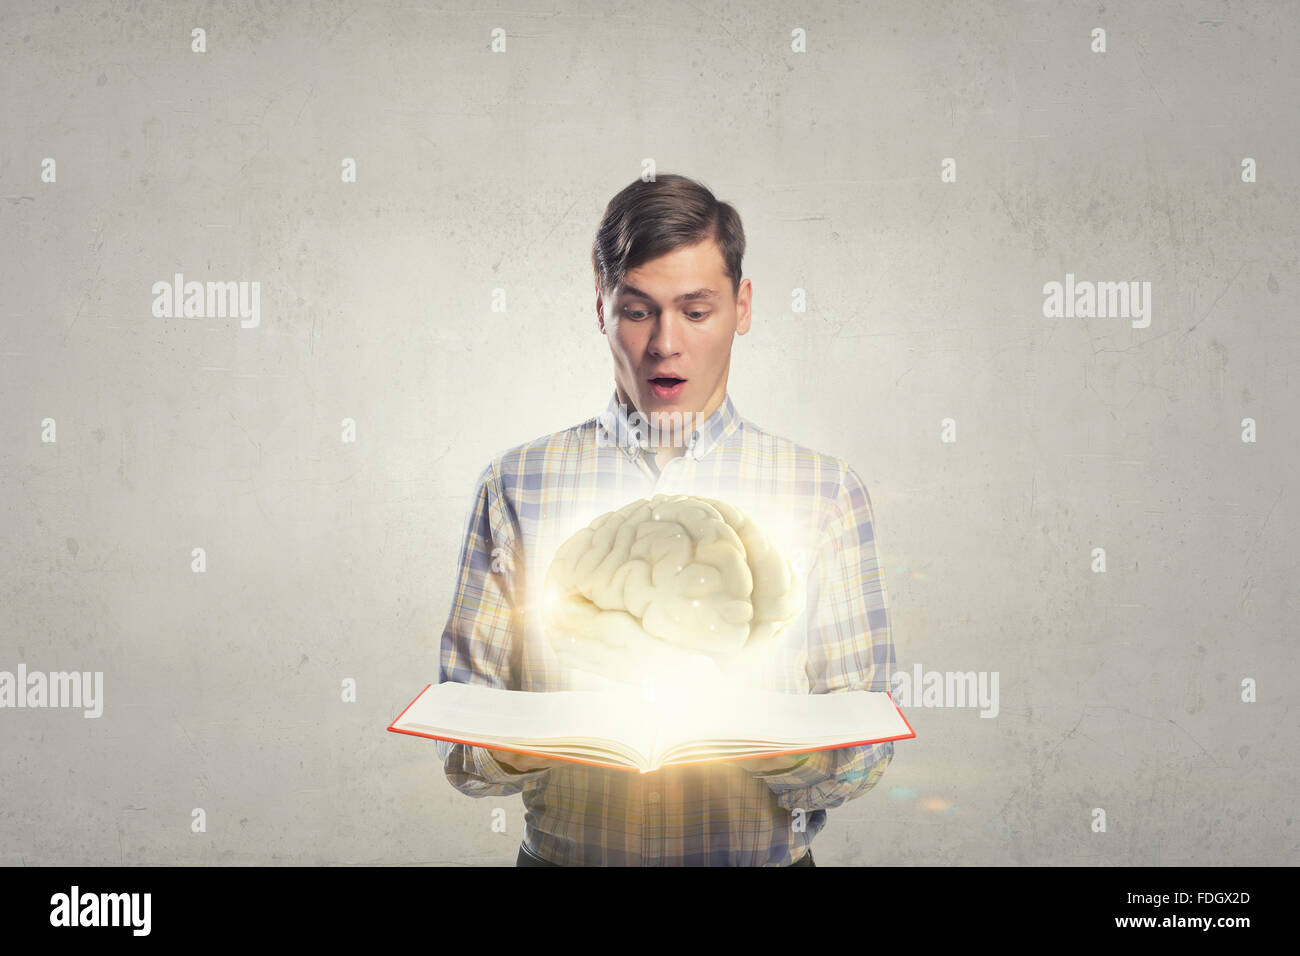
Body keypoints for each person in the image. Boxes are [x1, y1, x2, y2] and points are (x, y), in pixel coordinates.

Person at [434, 173, 898, 866]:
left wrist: (751, 734)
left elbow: (866, 754)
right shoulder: (517, 483)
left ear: (742, 306)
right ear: (601, 309)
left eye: (696, 310)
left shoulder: (825, 491)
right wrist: (532, 738)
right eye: (638, 310)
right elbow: (463, 746)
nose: (665, 344)